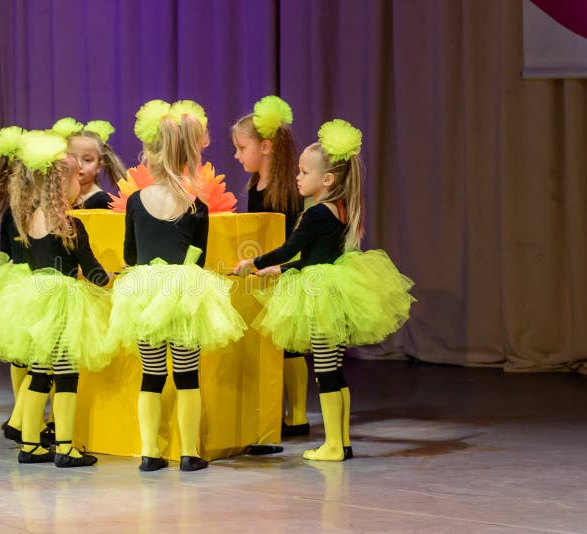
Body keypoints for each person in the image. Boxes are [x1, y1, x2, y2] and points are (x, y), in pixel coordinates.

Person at [235, 119, 414, 461]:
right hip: (331, 285)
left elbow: (291, 248)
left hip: (318, 293)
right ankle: (341, 441)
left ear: (327, 179)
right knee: (333, 368)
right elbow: (314, 258)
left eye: (303, 172)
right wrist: (281, 269)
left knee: (326, 370)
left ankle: (334, 444)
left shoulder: (317, 213)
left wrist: (254, 263)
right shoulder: (340, 209)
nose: (297, 177)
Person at [107, 100, 246, 472]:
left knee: (151, 376)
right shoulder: (196, 205)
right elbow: (198, 258)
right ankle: (189, 453)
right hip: (186, 294)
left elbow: (131, 253)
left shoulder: (136, 202)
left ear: (150, 156)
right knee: (187, 376)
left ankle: (151, 453)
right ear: (187, 154)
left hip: (146, 292)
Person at [0, 130, 113, 466]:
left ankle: (31, 444)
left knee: (39, 374)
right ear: (65, 185)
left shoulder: (30, 220)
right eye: (75, 178)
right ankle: (65, 447)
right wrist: (115, 279)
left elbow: (29, 263)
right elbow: (94, 272)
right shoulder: (70, 225)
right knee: (68, 375)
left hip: (36, 299)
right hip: (63, 302)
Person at [232, 95, 310, 437]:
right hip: (263, 272)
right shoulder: (254, 185)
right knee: (273, 343)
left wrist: (280, 267)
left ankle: (298, 414)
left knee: (291, 345)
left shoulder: (288, 190)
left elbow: (295, 240)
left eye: (241, 147)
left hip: (285, 272)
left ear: (265, 147)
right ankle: (272, 409)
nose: (237, 155)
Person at [50, 117, 126, 209]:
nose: (79, 165)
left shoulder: (103, 202)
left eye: (87, 160)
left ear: (98, 166)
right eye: (72, 157)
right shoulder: (55, 199)